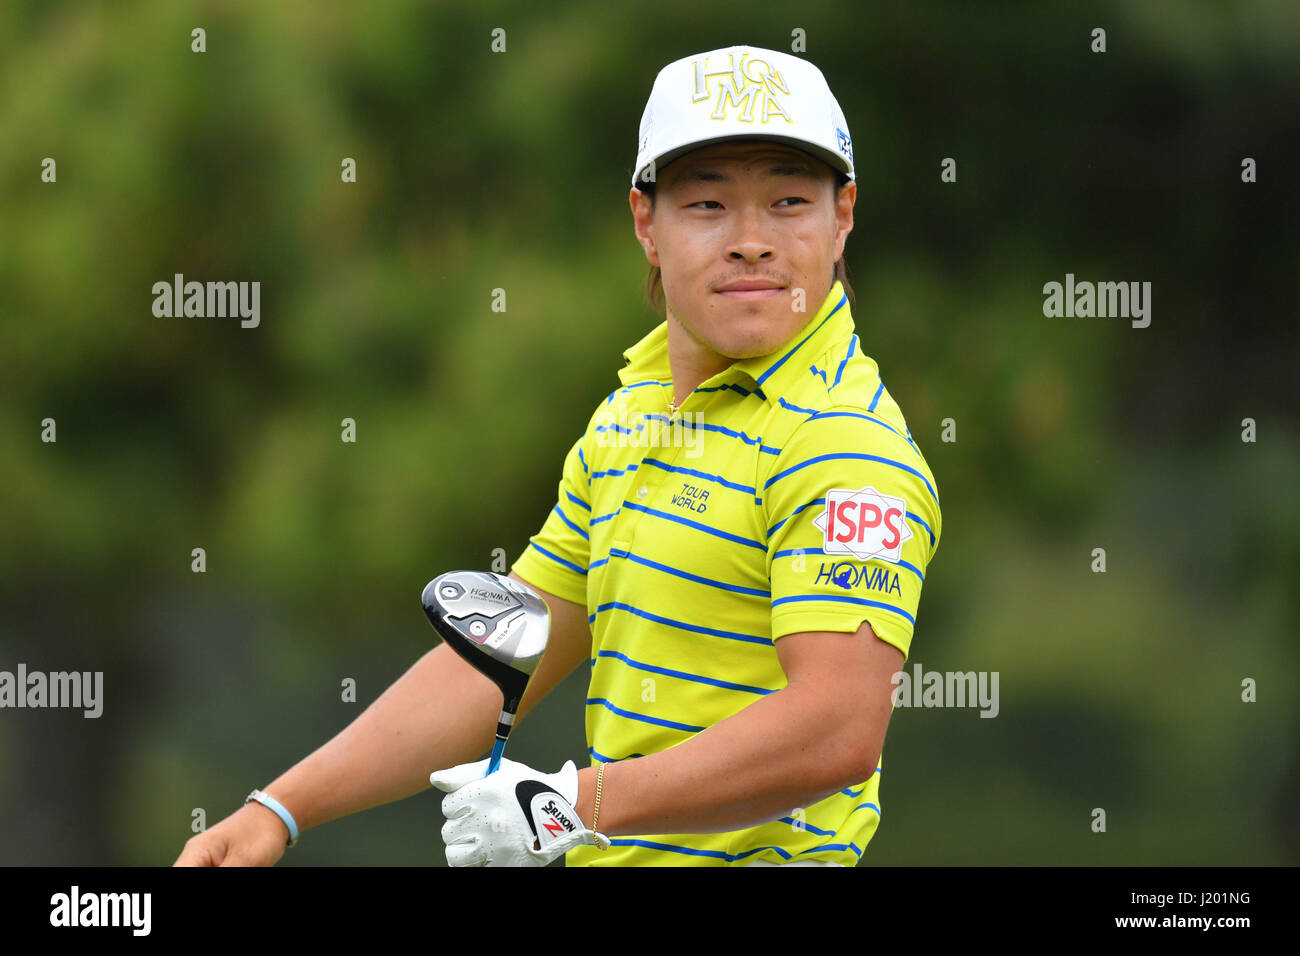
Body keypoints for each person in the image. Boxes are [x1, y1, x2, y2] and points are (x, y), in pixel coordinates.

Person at [174, 43, 941, 869]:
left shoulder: (843, 440)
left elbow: (836, 730)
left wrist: (571, 803)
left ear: (843, 216)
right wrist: (280, 809)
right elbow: (500, 660)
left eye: (789, 201)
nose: (752, 241)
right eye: (709, 206)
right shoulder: (631, 417)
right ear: (647, 224)